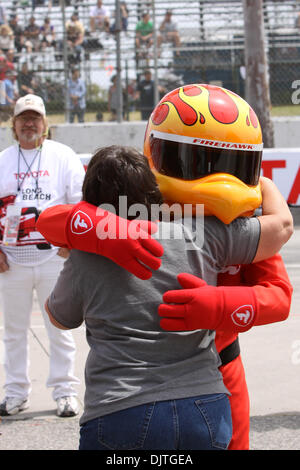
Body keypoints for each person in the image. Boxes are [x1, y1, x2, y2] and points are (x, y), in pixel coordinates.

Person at [37, 84, 293, 449]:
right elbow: (53, 221)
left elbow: (280, 296)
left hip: (218, 367)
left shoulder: (247, 219)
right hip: (196, 393)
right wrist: (103, 229)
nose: (215, 176)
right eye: (196, 160)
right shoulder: (142, 200)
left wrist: (220, 304)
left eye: (229, 163)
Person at [0, 94, 85, 418]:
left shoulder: (62, 156)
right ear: (14, 124)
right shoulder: (3, 160)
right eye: (24, 118)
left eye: (35, 118)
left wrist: (73, 243)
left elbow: (79, 202)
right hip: (12, 261)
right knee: (13, 331)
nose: (29, 123)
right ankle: (16, 393)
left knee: (60, 327)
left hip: (54, 258)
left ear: (45, 123)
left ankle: (65, 391)